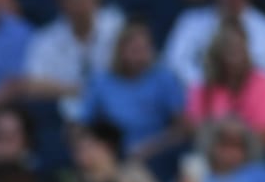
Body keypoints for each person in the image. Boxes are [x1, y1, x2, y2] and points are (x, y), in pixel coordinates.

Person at [79, 19, 187, 159]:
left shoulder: (164, 78)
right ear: (120, 51)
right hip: (110, 154)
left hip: (157, 154)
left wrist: (149, 148)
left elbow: (182, 128)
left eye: (144, 49)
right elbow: (84, 125)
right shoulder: (100, 81)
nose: (139, 56)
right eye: (134, 50)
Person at [185, 19, 265, 149]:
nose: (235, 54)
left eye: (239, 47)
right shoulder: (203, 88)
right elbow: (194, 130)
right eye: (229, 47)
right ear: (217, 52)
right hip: (213, 156)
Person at [16, 0, 124, 101]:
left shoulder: (118, 26)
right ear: (61, 1)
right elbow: (32, 85)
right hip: (64, 110)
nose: (80, 1)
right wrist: (81, 91)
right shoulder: (45, 39)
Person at [164, 0, 265, 88]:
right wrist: (208, 90)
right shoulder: (189, 22)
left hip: (248, 107)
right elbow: (174, 64)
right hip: (197, 103)